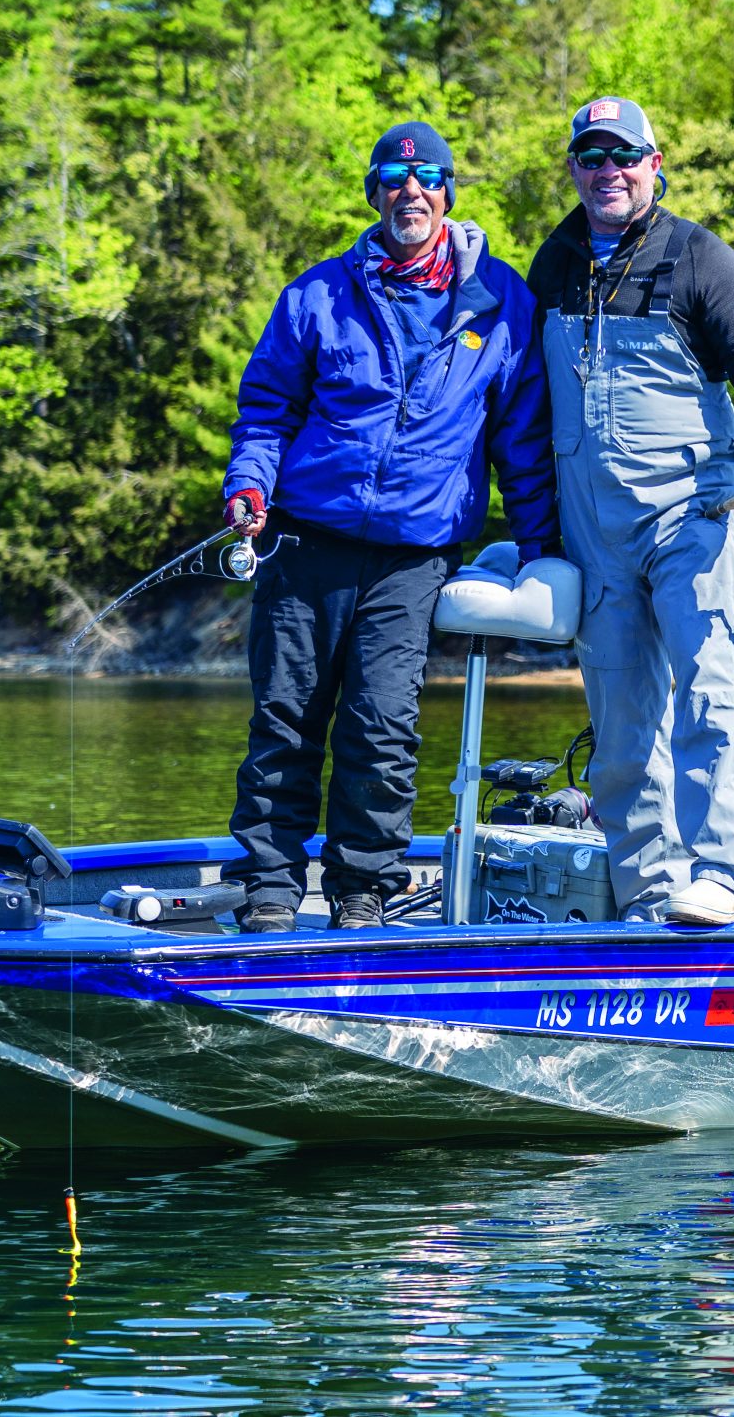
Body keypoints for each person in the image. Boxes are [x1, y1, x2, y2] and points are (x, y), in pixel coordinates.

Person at [222, 122, 557, 932]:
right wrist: (248, 487)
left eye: (429, 180)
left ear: (448, 193)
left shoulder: (501, 301)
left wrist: (547, 550)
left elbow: (521, 439)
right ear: (374, 193)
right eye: (395, 180)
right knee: (286, 716)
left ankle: (362, 888)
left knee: (381, 727)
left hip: (415, 557)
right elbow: (267, 410)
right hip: (303, 539)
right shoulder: (316, 293)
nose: (412, 193)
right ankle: (269, 886)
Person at [526, 96, 734, 925]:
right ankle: (649, 894)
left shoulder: (700, 258)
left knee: (710, 684)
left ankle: (726, 873)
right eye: (590, 156)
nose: (606, 171)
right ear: (575, 167)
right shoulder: (555, 261)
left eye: (623, 156)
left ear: (655, 164)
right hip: (593, 528)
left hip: (695, 511)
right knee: (619, 715)